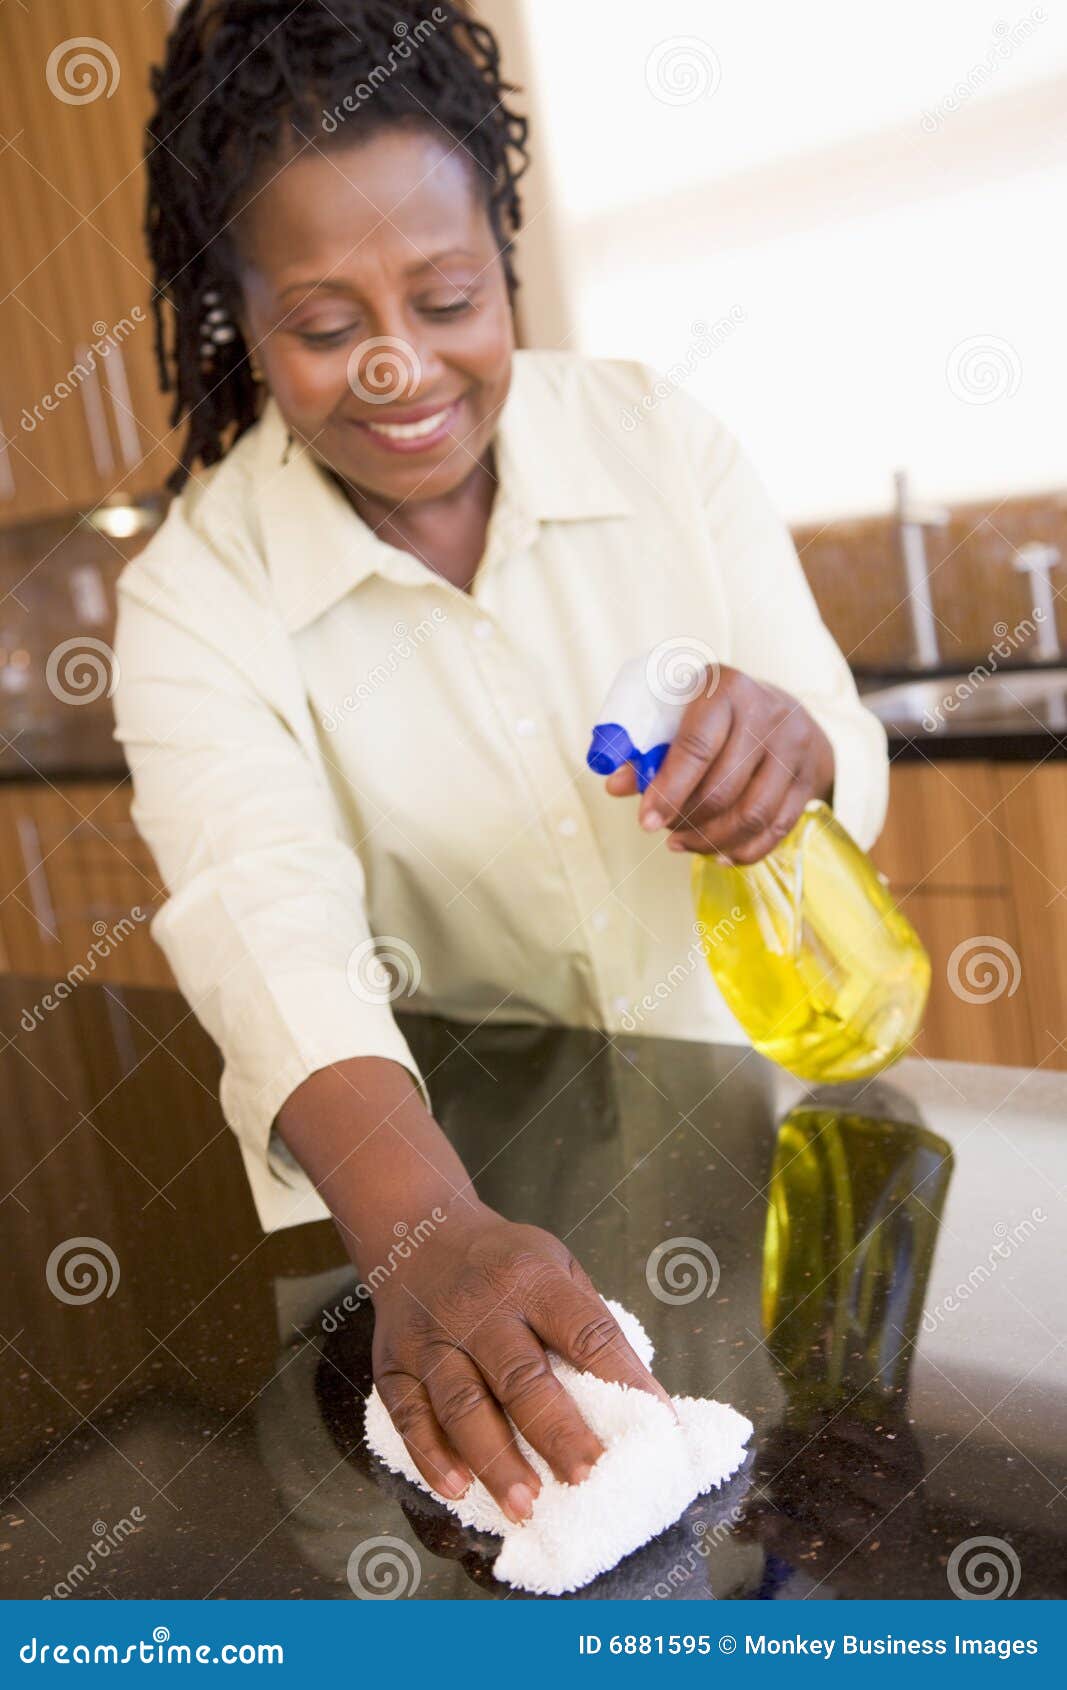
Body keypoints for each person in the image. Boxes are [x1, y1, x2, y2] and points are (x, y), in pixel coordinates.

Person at [114, 0, 887, 1531]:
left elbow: (830, 732)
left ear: (506, 261)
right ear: (239, 320)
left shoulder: (661, 441)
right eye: (324, 328)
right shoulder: (198, 596)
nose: (398, 368)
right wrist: (422, 1233)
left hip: (768, 1150)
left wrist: (792, 756)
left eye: (448, 297)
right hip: (439, 1220)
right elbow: (264, 916)